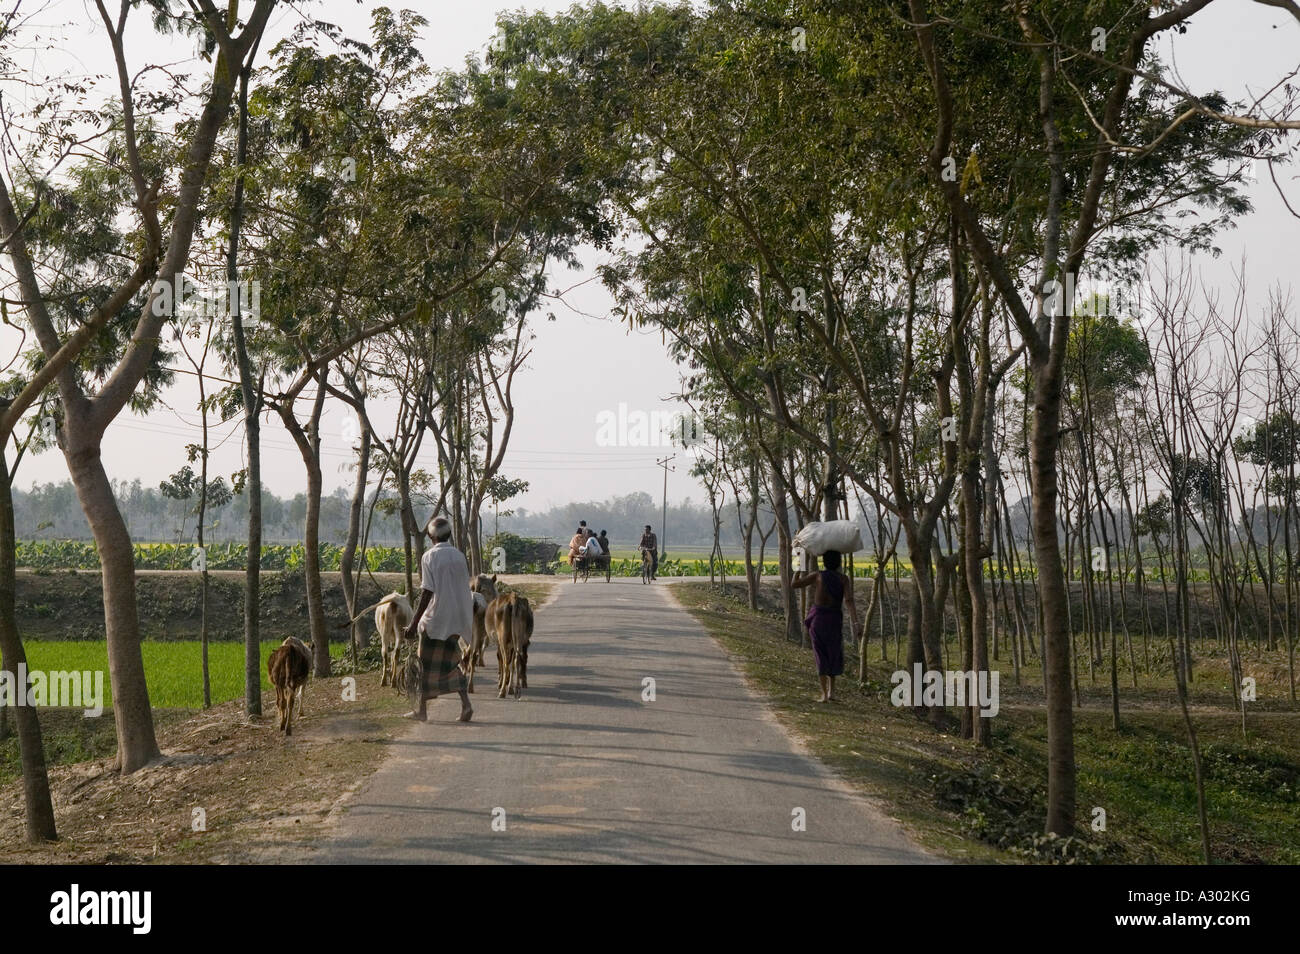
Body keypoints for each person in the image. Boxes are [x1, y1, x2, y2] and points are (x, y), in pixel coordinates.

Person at [402, 515, 474, 722]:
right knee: (451, 663)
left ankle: (422, 711)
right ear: (449, 534)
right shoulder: (459, 556)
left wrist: (414, 623)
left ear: (431, 537)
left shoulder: (429, 557)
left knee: (424, 665)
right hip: (457, 619)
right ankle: (466, 705)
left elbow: (427, 592)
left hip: (435, 620)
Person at [792, 549, 861, 703]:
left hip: (818, 621)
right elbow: (849, 601)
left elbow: (794, 584)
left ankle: (824, 694)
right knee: (834, 653)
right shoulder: (844, 579)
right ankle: (832, 692)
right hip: (834, 621)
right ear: (839, 564)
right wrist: (856, 622)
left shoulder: (818, 576)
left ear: (824, 562)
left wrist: (799, 563)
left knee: (820, 654)